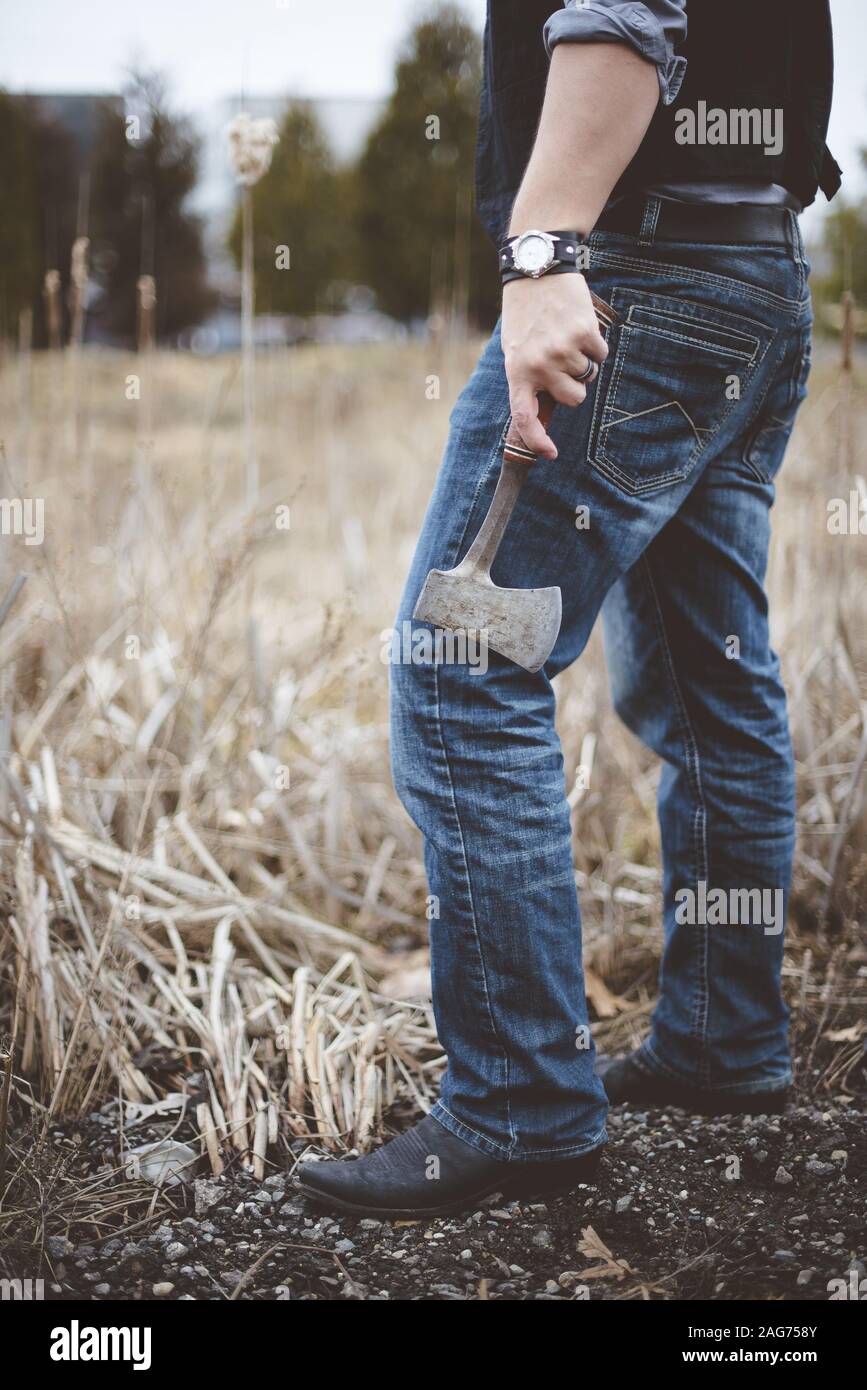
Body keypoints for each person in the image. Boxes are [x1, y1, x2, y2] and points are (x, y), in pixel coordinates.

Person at [296, 0, 841, 1218]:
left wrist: (544, 252)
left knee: (464, 661)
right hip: (754, 270)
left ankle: (520, 1105)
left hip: (632, 279)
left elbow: (623, 11)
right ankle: (719, 1034)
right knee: (714, 675)